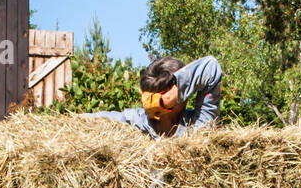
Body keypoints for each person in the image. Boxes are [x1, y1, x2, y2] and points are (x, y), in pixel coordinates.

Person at [84, 55, 222, 138]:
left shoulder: (197, 127)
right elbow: (82, 121)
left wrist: (172, 95)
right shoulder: (135, 122)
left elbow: (211, 66)